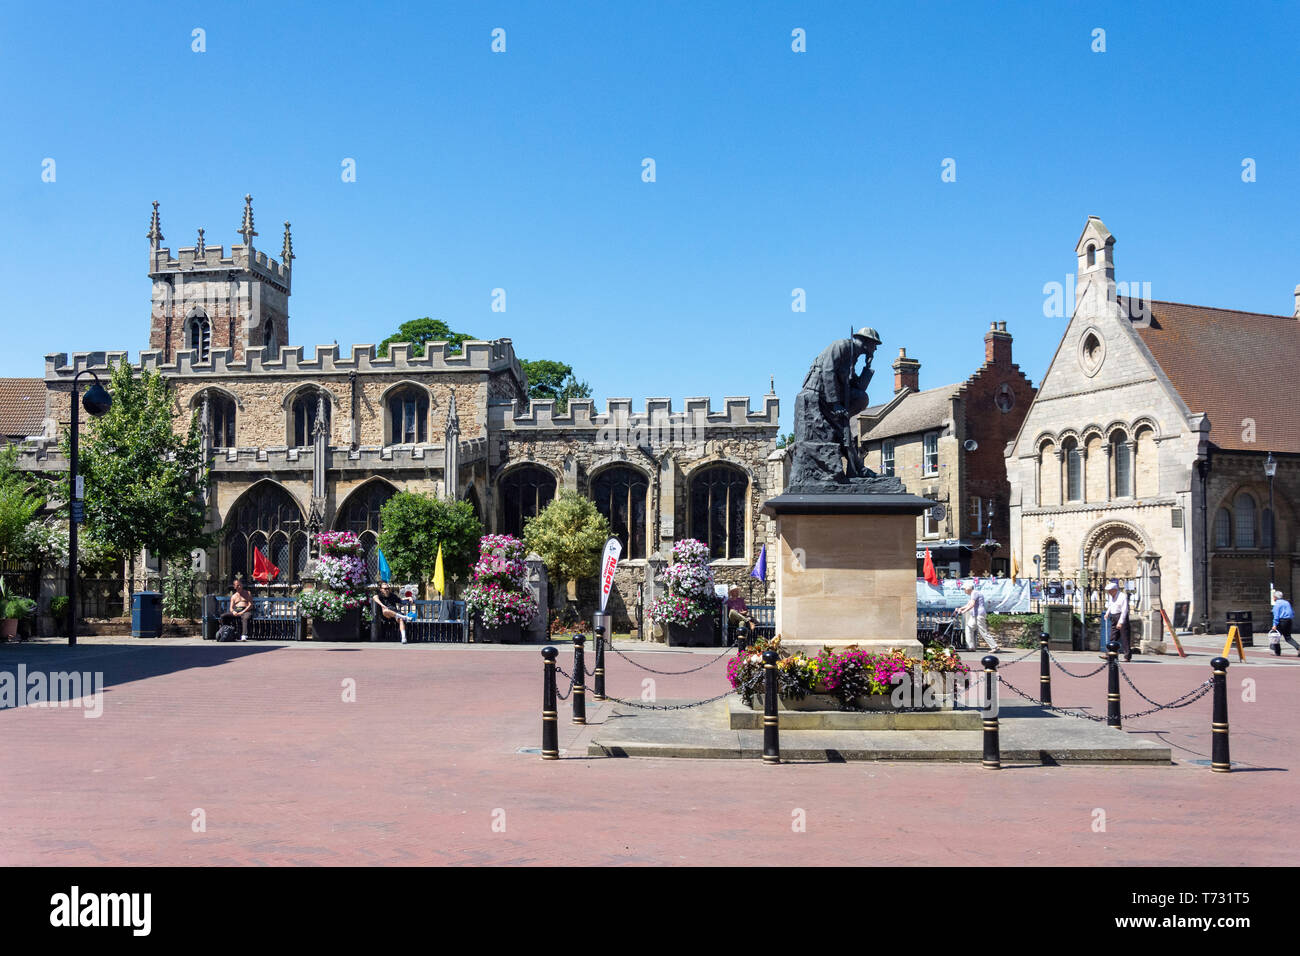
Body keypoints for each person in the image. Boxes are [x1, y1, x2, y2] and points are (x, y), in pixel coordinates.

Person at [956, 581, 999, 653]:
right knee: (969, 627)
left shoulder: (974, 593)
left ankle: (994, 646)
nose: (964, 591)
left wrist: (963, 611)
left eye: (964, 589)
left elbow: (972, 605)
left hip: (979, 614)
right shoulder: (973, 594)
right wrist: (960, 609)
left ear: (968, 588)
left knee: (983, 630)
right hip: (974, 615)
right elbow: (968, 605)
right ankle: (971, 647)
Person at [1101, 579, 1131, 662]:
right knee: (1113, 637)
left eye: (1110, 591)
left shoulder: (1122, 596)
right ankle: (1109, 654)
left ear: (1115, 590)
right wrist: (1107, 613)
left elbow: (1125, 610)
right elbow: (1111, 605)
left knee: (1125, 637)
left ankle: (1127, 656)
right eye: (1108, 591)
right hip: (1114, 616)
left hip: (1121, 616)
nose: (1109, 593)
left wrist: (1120, 622)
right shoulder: (1111, 596)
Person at [1271, 589, 1298, 657]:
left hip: (1281, 621)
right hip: (1288, 620)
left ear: (1275, 597)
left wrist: (1274, 624)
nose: (1273, 598)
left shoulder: (1277, 604)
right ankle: (1298, 647)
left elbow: (1276, 615)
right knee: (1288, 637)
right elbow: (1292, 612)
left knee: (1275, 637)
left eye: (1273, 596)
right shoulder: (1286, 602)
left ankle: (1277, 652)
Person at [228, 575, 254, 641]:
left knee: (245, 618)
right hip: (237, 609)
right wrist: (234, 612)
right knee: (224, 616)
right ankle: (226, 632)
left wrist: (243, 611)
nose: (238, 587)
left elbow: (250, 605)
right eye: (236, 586)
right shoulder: (233, 596)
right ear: (234, 587)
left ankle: (244, 635)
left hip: (246, 609)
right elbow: (231, 608)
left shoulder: (247, 593)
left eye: (239, 585)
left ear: (242, 585)